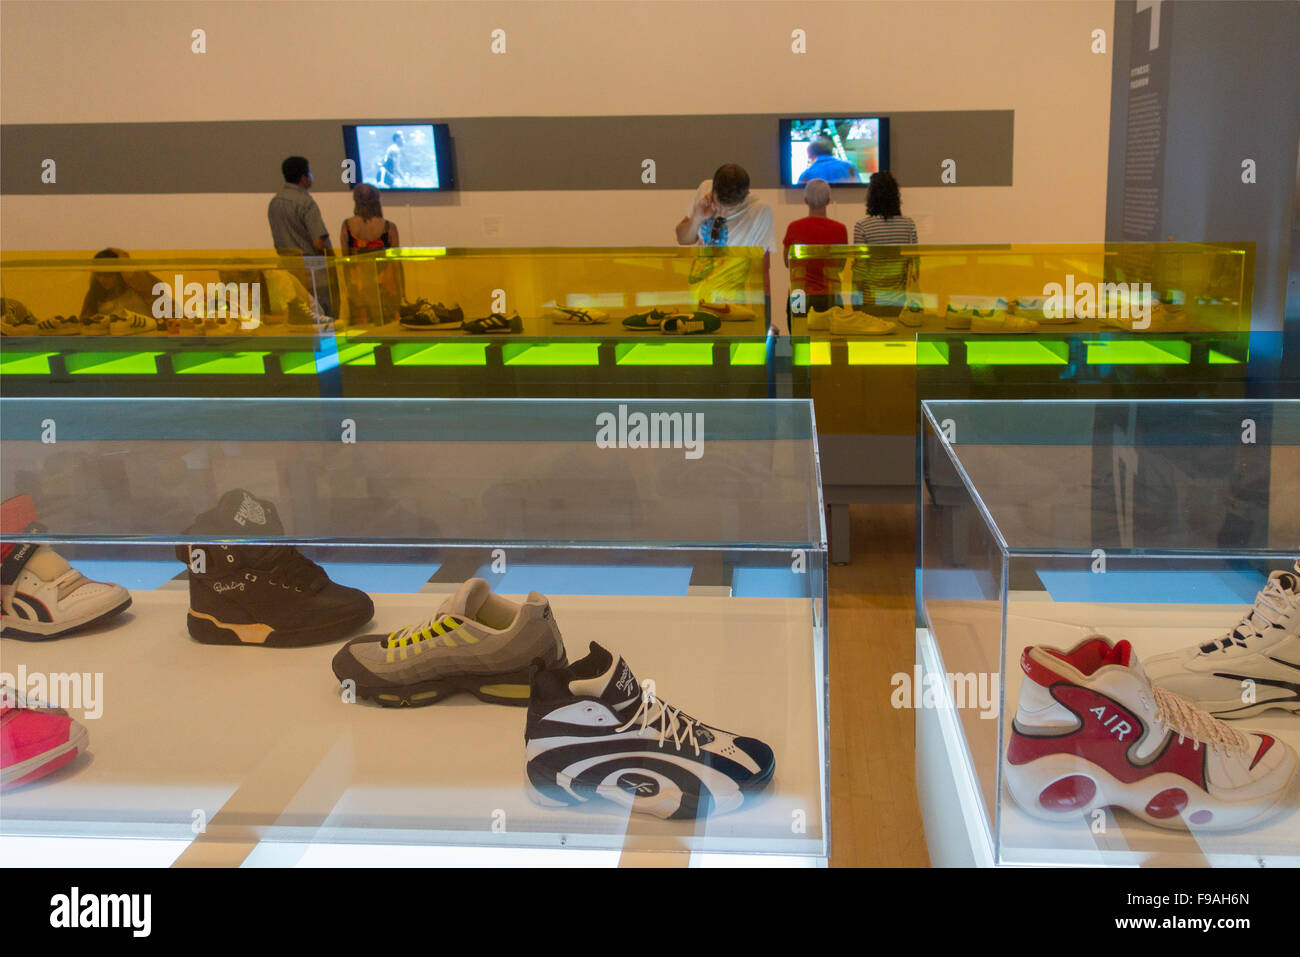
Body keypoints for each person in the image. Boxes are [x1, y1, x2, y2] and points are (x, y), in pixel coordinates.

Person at [676, 164, 775, 318]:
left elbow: (762, 269)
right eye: (719, 204)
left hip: (729, 307)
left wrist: (764, 318)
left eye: (730, 208)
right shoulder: (705, 189)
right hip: (696, 301)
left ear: (745, 197)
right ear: (713, 190)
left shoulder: (759, 211)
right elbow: (683, 239)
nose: (722, 212)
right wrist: (697, 218)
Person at [268, 156, 334, 316]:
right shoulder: (306, 203)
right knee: (321, 316)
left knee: (299, 317)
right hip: (312, 272)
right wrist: (332, 259)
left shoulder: (274, 202)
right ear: (304, 178)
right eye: (310, 172)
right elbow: (318, 243)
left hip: (288, 271)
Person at [851, 171, 919, 315]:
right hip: (899, 302)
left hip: (870, 301)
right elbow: (914, 266)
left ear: (871, 197)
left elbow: (860, 270)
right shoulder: (909, 225)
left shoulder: (862, 227)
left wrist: (854, 300)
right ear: (896, 197)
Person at [782, 179, 848, 319]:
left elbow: (788, 263)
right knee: (830, 338)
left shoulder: (794, 227)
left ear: (806, 200)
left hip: (799, 295)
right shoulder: (840, 229)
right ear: (828, 200)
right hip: (831, 296)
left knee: (799, 338)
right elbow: (841, 265)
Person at [339, 184, 404, 323]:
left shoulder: (347, 226)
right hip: (384, 285)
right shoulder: (389, 227)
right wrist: (400, 291)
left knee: (363, 328)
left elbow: (345, 258)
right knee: (387, 324)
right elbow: (395, 260)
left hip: (359, 284)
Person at [78, 248, 164, 321]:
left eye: (108, 275)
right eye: (98, 274)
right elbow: (85, 323)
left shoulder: (139, 284)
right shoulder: (94, 293)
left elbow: (165, 311)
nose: (102, 279)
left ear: (120, 273)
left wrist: (124, 261)